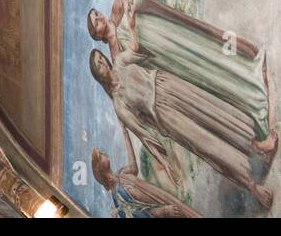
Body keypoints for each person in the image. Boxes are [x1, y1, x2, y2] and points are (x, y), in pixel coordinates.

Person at [88, 0, 274, 147]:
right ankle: (250, 98)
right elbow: (136, 65)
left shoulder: (117, 7)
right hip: (162, 58)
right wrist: (131, 26)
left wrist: (131, 9)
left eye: (97, 14)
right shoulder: (115, 55)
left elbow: (138, 1)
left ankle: (249, 67)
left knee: (207, 50)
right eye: (95, 23)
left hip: (168, 33)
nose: (99, 18)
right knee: (206, 77)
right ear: (97, 36)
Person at [91, 49, 274, 206]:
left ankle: (257, 146)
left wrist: (131, 28)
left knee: (213, 110)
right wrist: (165, 163)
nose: (102, 62)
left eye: (100, 58)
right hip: (165, 114)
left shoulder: (121, 61)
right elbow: (143, 135)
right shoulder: (119, 104)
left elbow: (142, 49)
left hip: (168, 84)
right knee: (207, 145)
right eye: (98, 65)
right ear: (99, 75)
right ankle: (252, 186)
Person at [91, 148, 200, 218]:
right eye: (100, 156)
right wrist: (164, 211)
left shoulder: (121, 174)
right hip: (167, 211)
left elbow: (134, 167)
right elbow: (138, 214)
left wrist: (125, 132)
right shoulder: (119, 195)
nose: (103, 153)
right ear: (100, 168)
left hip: (166, 200)